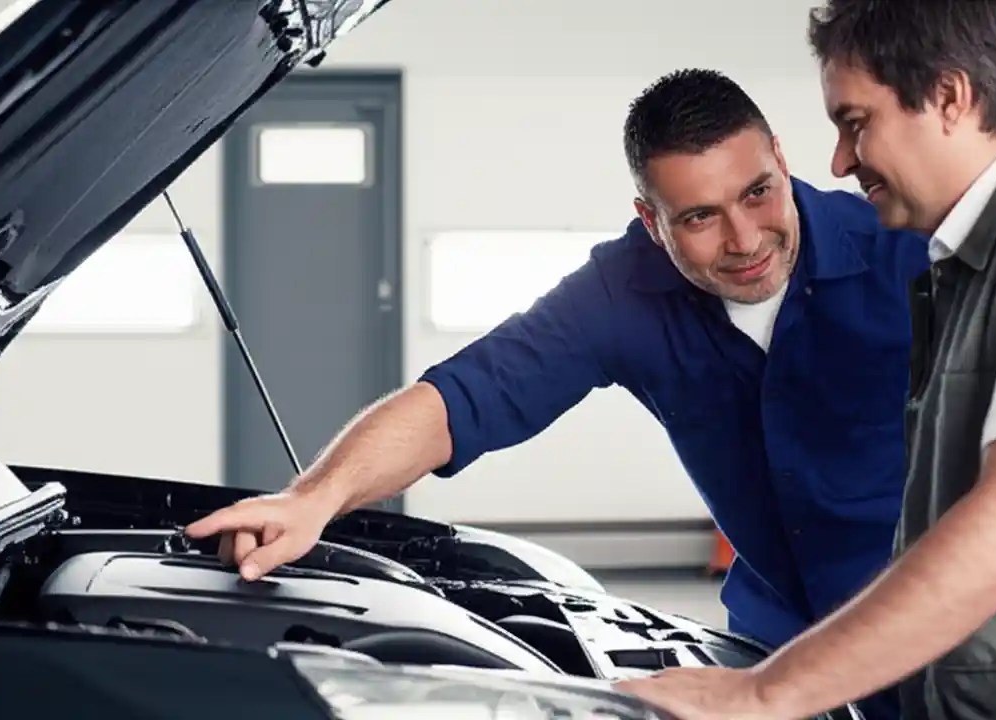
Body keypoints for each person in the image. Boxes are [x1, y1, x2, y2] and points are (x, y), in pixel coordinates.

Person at [186, 69, 928, 719]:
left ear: (781, 163)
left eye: (757, 194)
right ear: (651, 221)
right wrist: (314, 498)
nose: (743, 238)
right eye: (699, 217)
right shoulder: (622, 291)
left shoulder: (906, 251)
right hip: (766, 641)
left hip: (933, 632)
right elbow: (462, 398)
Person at [617, 2, 996, 719]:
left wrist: (766, 691)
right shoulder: (971, 261)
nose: (839, 161)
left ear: (948, 97)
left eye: (856, 122)